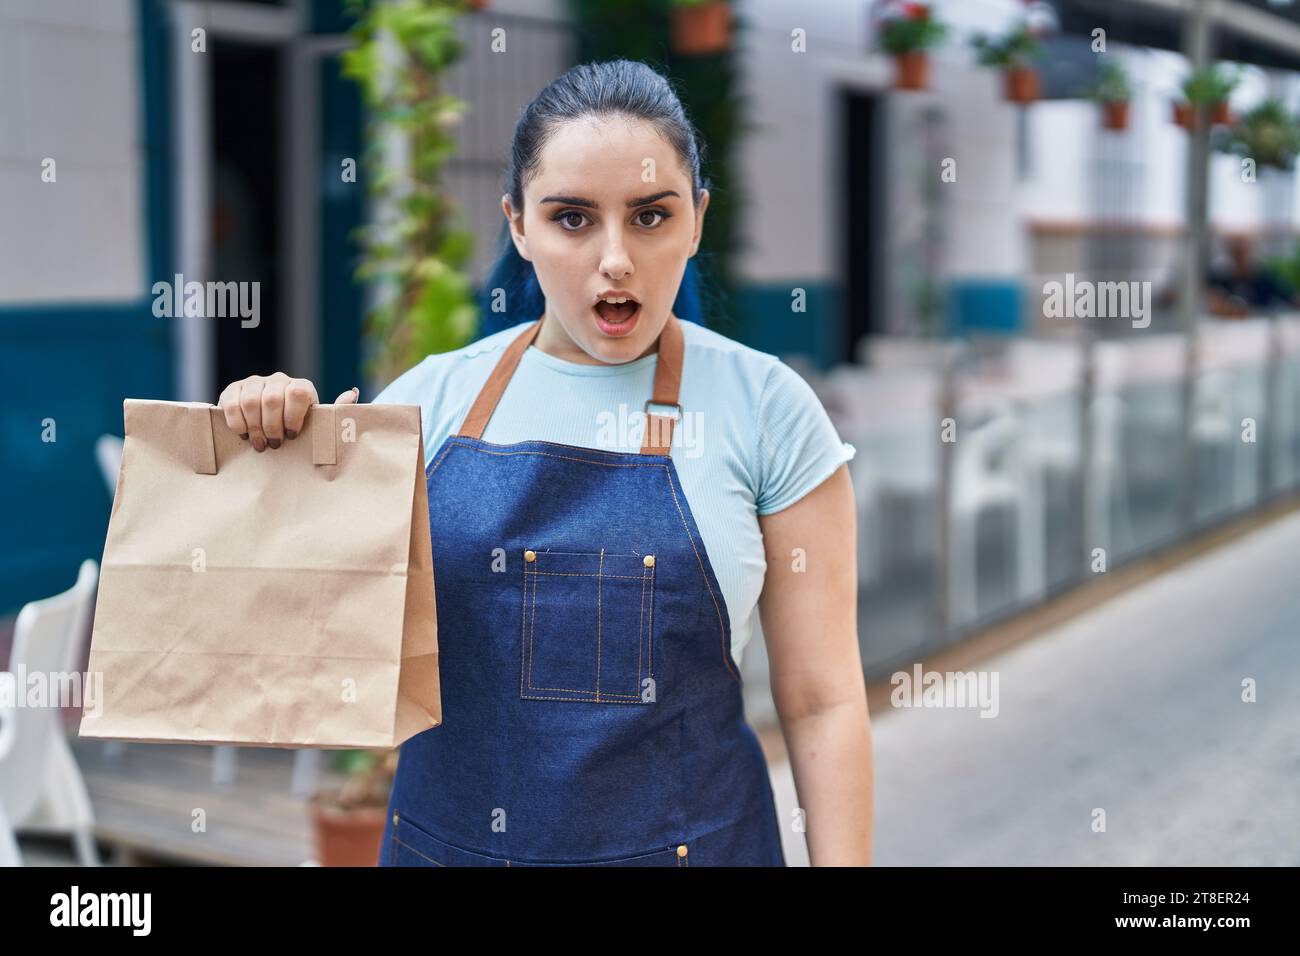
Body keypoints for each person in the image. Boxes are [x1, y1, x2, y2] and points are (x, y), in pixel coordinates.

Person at [215, 59, 872, 867]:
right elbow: (309, 646)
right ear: (518, 225)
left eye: (650, 217)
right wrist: (269, 457)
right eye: (572, 219)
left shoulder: (768, 409)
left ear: (697, 221)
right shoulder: (430, 401)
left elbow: (822, 700)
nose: (615, 258)